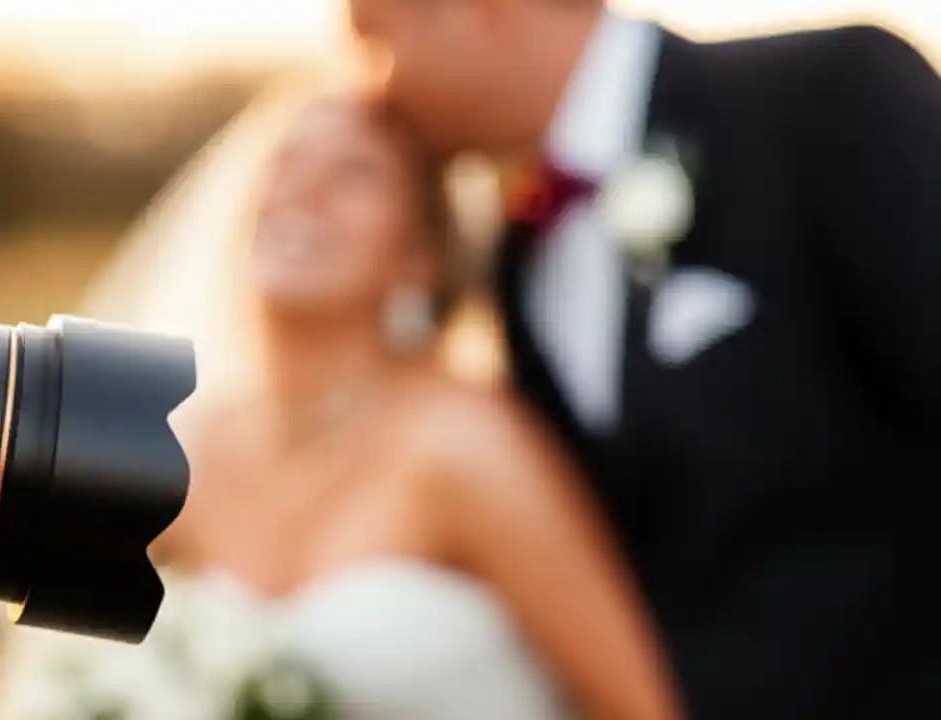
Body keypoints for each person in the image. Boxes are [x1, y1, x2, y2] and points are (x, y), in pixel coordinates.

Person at [0, 90, 682, 720]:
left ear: (422, 255)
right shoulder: (187, 449)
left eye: (354, 173)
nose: (302, 193)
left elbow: (639, 705)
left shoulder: (468, 447)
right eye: (286, 163)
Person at [348, 0, 941, 717]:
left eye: (376, 41)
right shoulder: (522, 263)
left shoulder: (831, 97)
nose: (373, 89)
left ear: (484, 12)